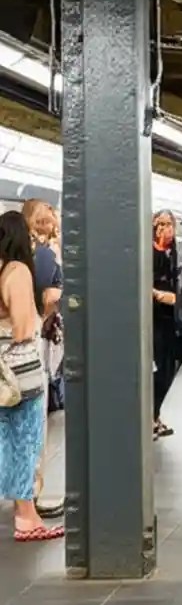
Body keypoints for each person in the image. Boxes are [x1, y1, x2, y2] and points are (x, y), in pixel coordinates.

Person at [0, 211, 61, 541]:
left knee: (5, 441)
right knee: (25, 443)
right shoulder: (17, 271)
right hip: (20, 371)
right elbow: (23, 328)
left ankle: (26, 513)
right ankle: (26, 518)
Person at [151, 210, 182, 439]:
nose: (165, 229)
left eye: (169, 224)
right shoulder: (150, 252)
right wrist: (160, 295)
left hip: (170, 316)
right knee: (159, 369)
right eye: (160, 224)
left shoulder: (172, 252)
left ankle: (154, 412)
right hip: (155, 315)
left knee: (174, 359)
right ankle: (151, 416)